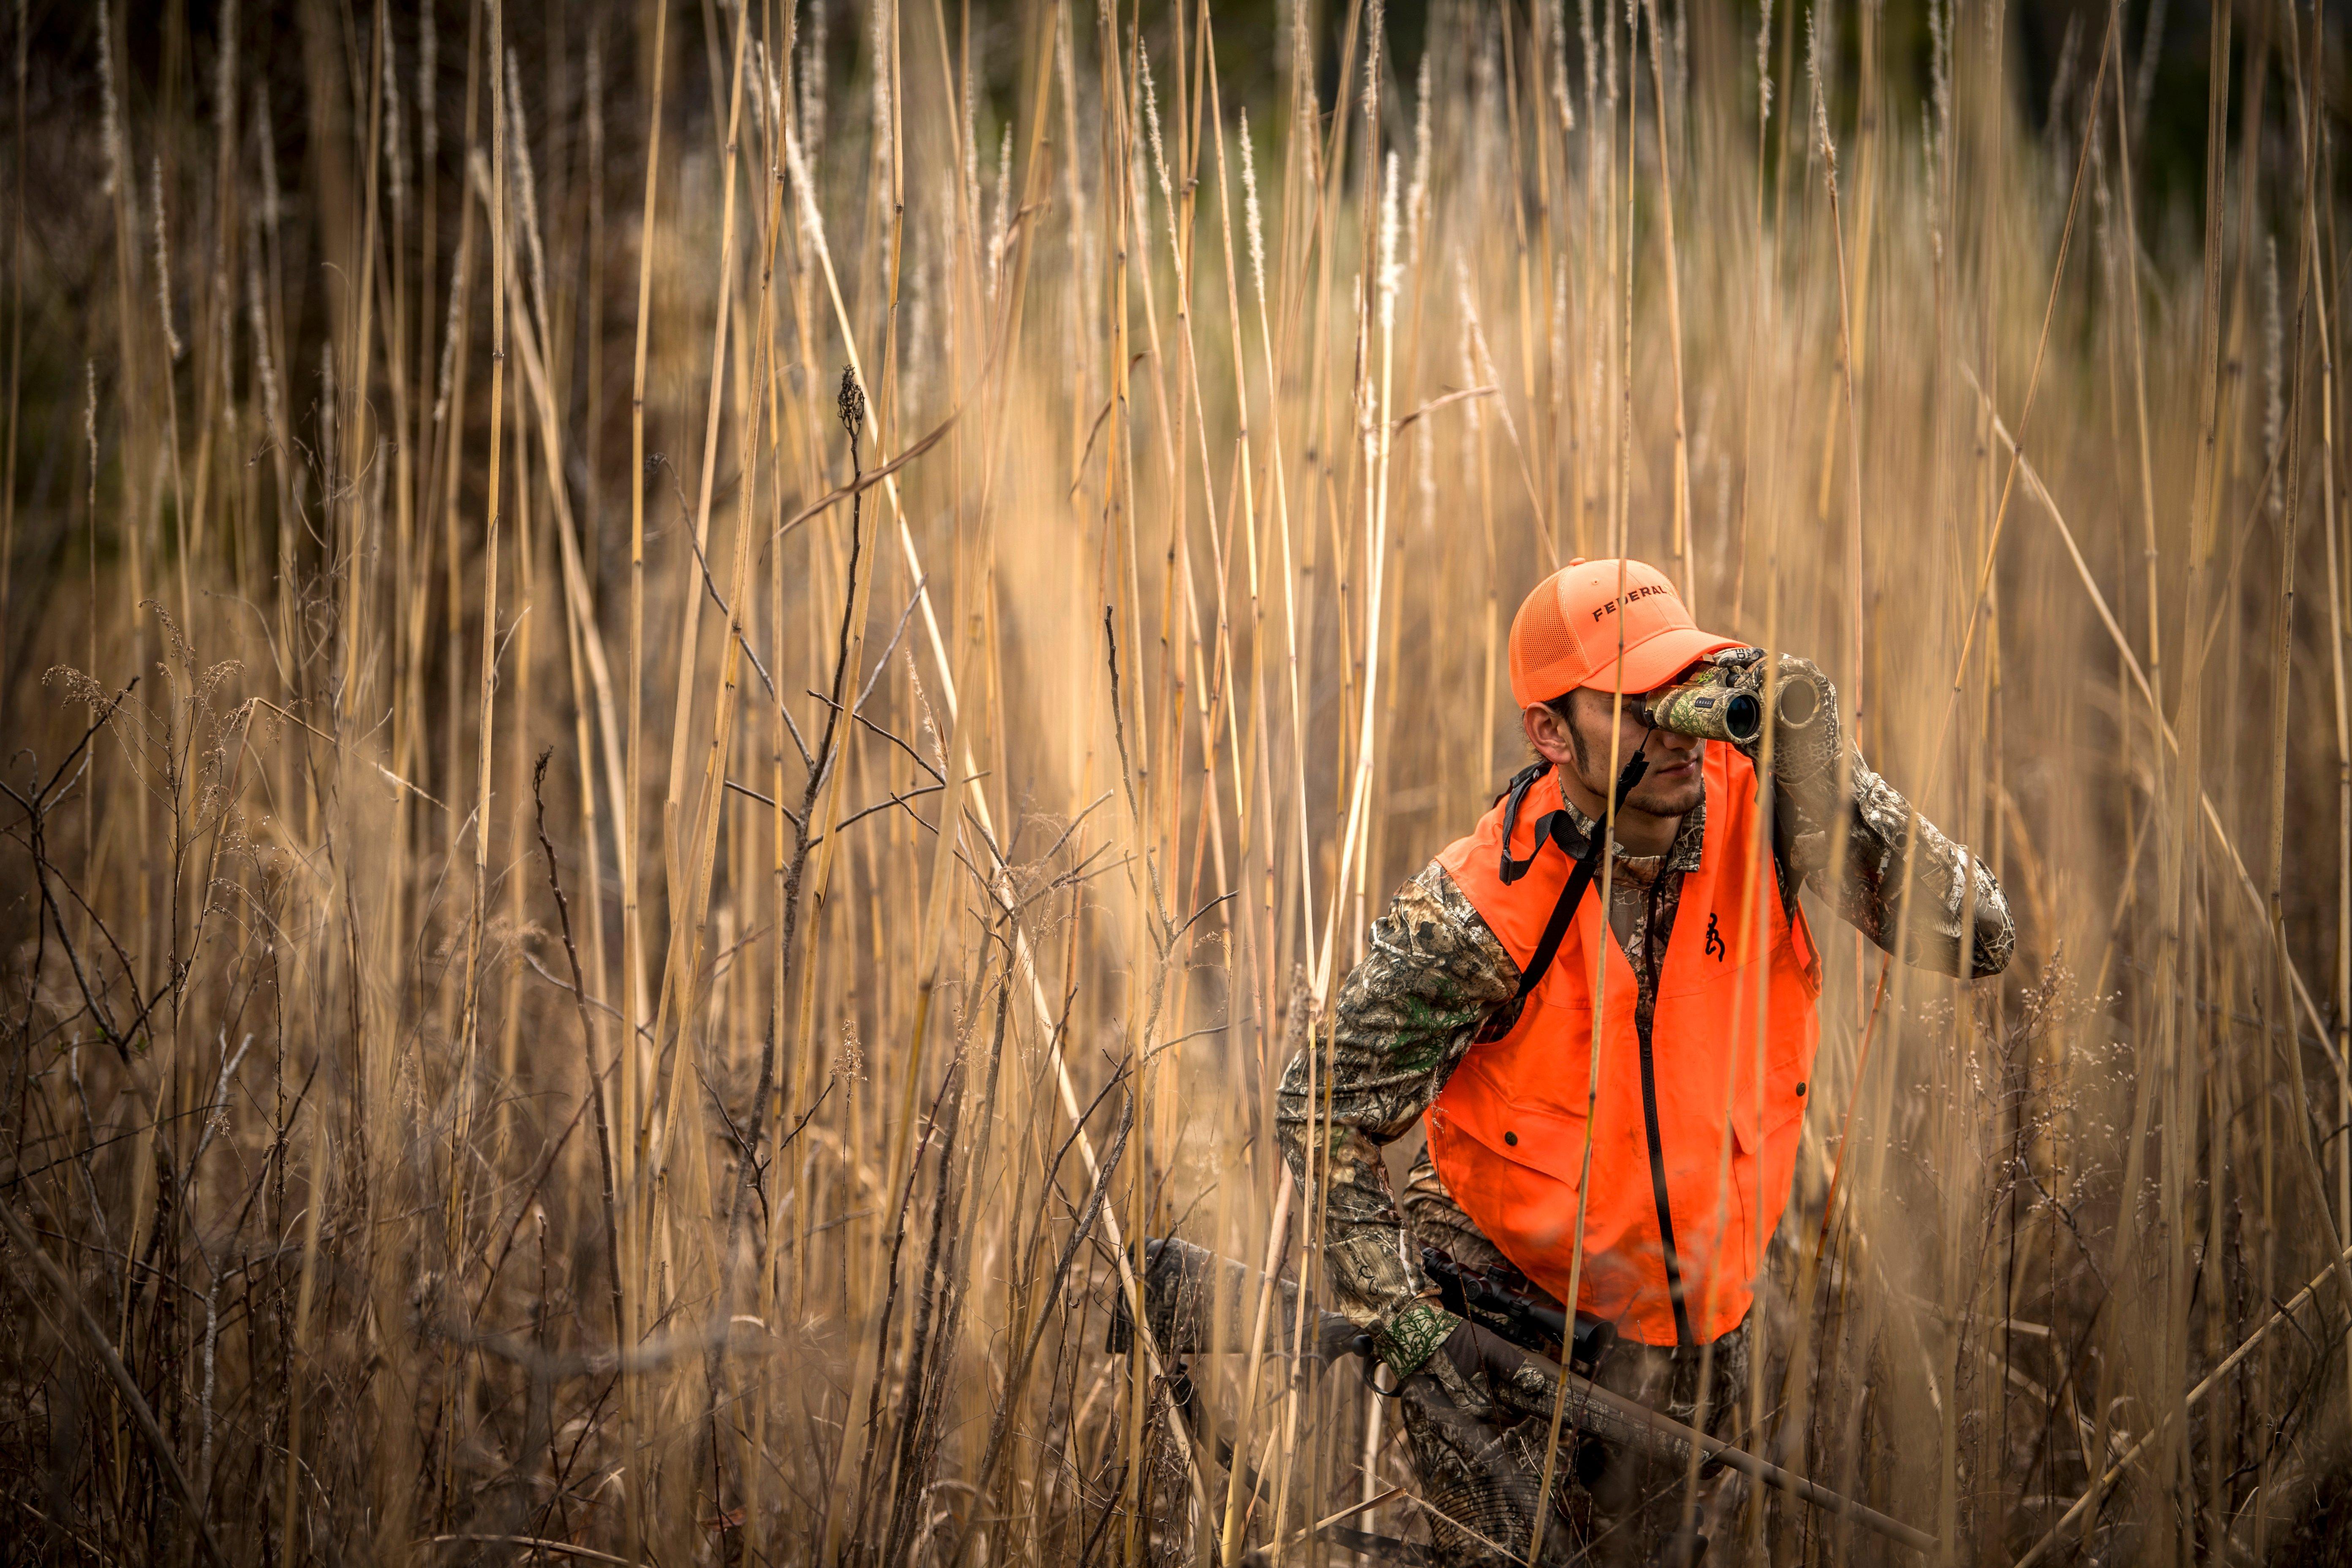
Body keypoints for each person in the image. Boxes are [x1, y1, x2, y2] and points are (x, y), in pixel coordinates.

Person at [1275, 558, 2013, 1565]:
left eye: (1688, 689)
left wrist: (1831, 772)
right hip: (1503, 1308)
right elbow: (1320, 1106)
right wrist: (1404, 1324)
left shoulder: (1771, 816)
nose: (1673, 730)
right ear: (1549, 730)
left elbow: (1978, 938)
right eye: (1635, 705)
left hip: (1704, 1324)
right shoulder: (1480, 907)